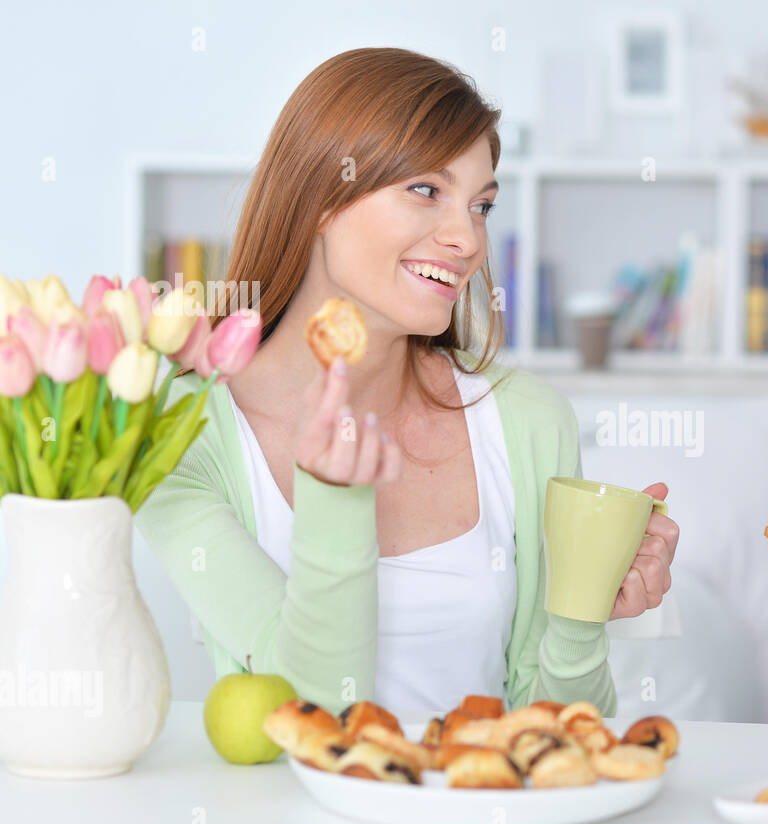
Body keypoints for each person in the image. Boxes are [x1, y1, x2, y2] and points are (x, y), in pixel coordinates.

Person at [135, 48, 679, 716]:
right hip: (279, 821)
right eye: (426, 190)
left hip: (485, 814)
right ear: (318, 198)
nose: (468, 239)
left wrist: (581, 615)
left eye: (481, 205)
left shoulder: (528, 421)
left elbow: (563, 736)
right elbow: (313, 712)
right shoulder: (178, 434)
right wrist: (335, 498)